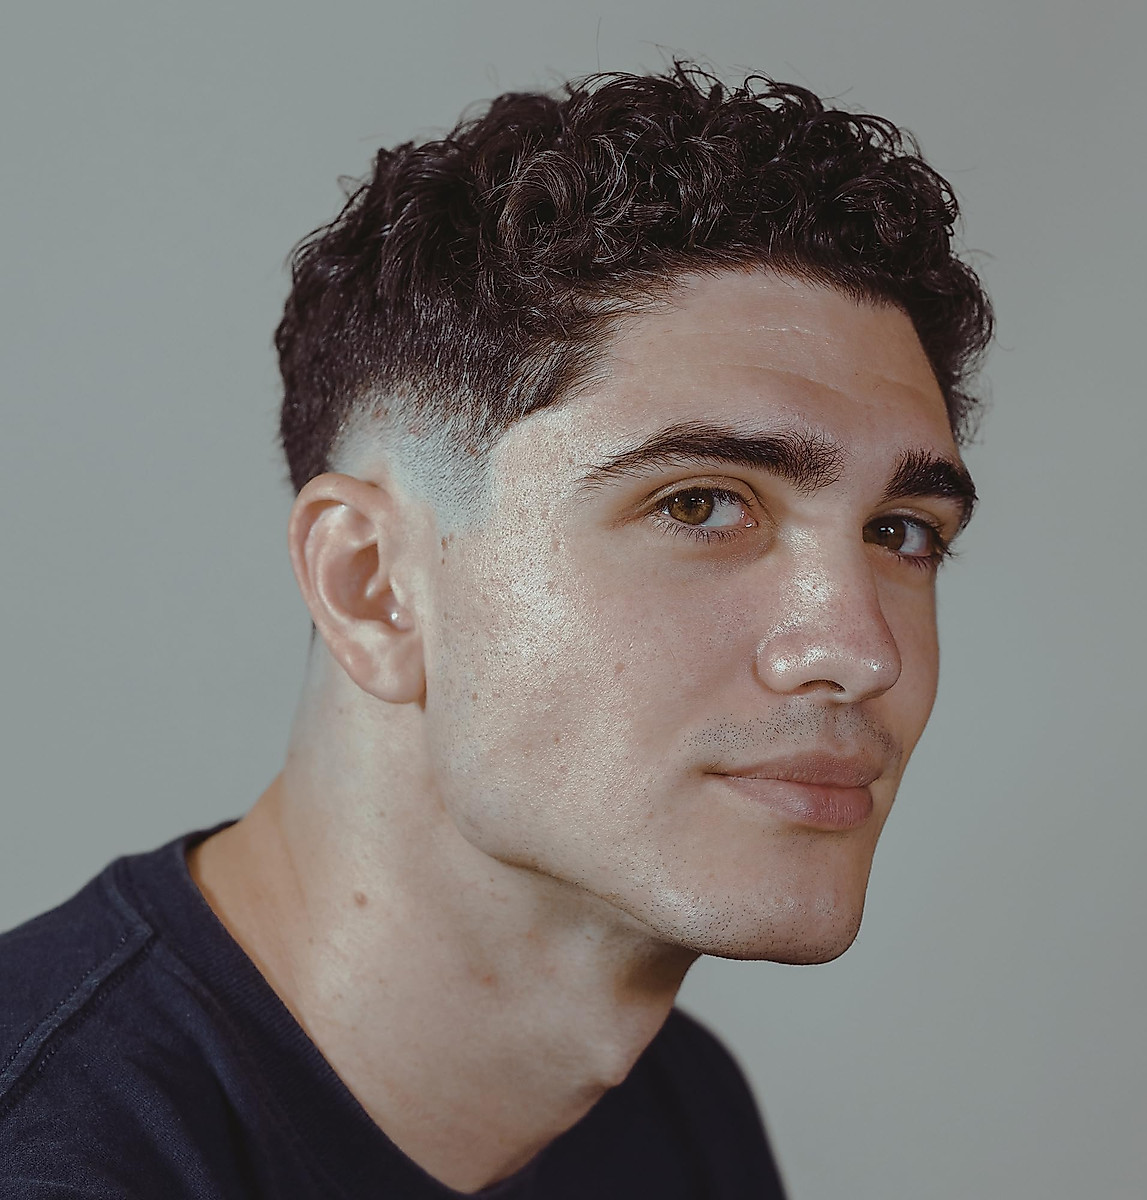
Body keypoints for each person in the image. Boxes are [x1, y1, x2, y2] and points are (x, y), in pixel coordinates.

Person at [0, 64, 992, 1198]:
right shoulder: (53, 1155)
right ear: (373, 584)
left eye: (901, 532)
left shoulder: (682, 1113)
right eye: (699, 505)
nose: (861, 651)